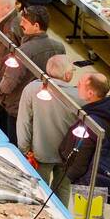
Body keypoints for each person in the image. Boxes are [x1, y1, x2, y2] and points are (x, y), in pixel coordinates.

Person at [0, 5, 64, 146]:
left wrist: (0, 93)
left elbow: (10, 80)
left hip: (16, 107)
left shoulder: (24, 50)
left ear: (36, 26)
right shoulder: (59, 47)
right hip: (41, 107)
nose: (21, 24)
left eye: (25, 22)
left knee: (12, 143)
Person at [17, 54, 81, 191]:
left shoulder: (32, 89)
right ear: (68, 75)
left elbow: (24, 122)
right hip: (68, 156)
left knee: (38, 191)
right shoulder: (80, 97)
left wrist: (25, 149)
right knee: (62, 191)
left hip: (40, 153)